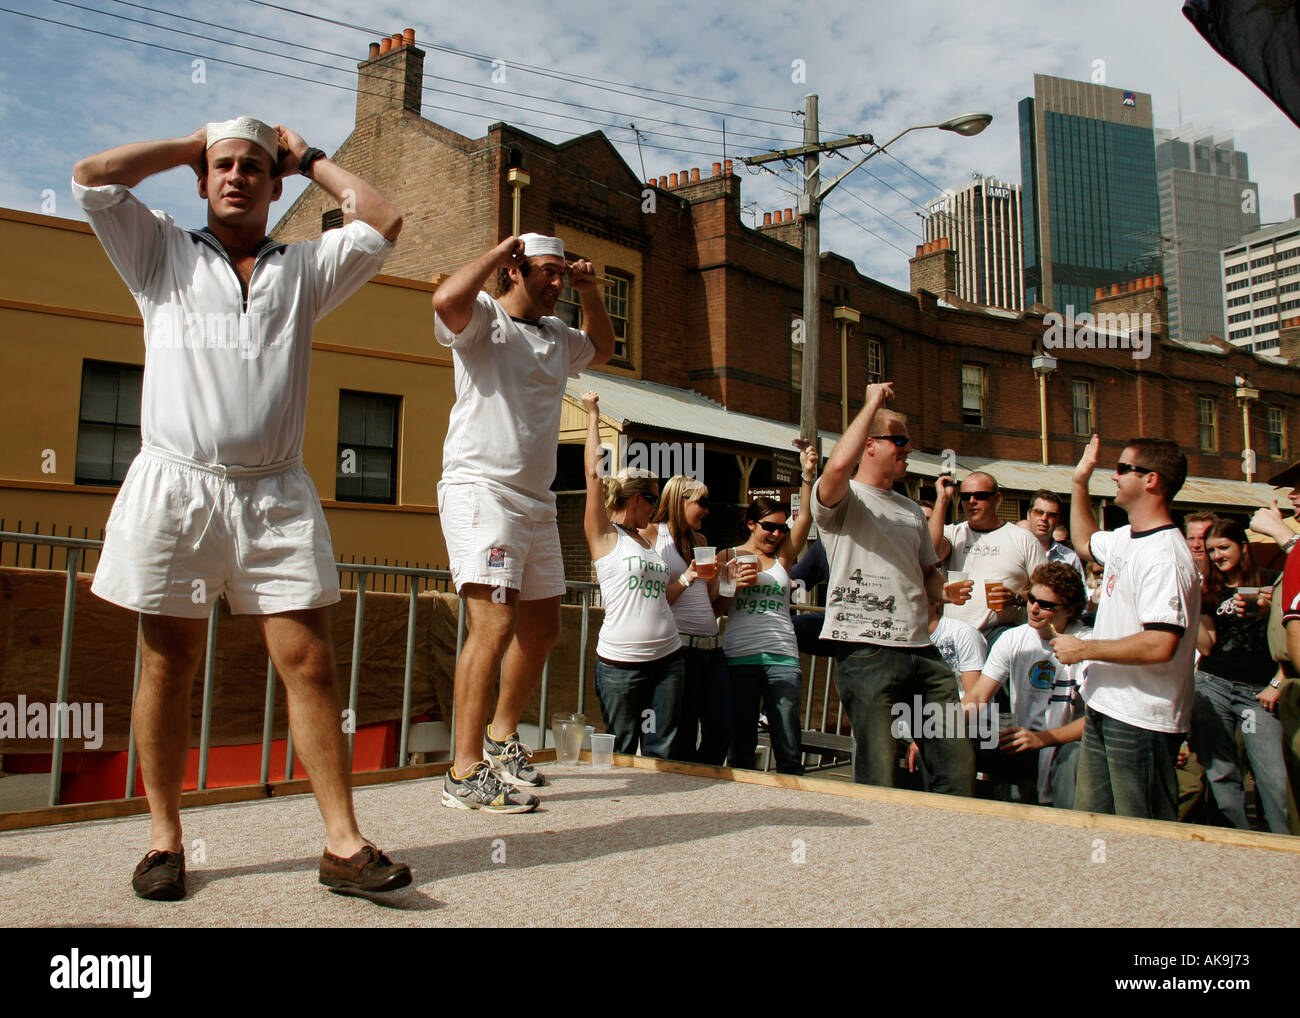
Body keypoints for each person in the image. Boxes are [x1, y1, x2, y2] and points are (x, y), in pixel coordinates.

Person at [72, 117, 409, 898]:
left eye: (253, 167)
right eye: (221, 166)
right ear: (200, 178)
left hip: (275, 494)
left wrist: (312, 159)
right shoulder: (158, 251)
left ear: (275, 182)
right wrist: (187, 142)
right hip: (176, 487)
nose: (235, 177)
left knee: (312, 664)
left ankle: (344, 846)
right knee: (169, 661)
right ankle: (164, 841)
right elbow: (92, 173)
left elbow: (384, 220)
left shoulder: (305, 269)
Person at [432, 233, 615, 811]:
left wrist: (590, 292)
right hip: (481, 489)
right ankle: (462, 772)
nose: (558, 284)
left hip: (535, 499)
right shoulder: (483, 319)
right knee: (493, 624)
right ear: (514, 271)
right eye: (548, 273)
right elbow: (443, 301)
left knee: (541, 630)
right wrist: (495, 251)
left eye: (564, 273)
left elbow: (604, 350)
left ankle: (502, 736)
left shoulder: (560, 335)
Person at [811, 382, 974, 793]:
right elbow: (834, 469)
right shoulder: (843, 500)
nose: (907, 449)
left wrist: (945, 590)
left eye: (908, 441)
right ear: (870, 445)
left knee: (956, 763)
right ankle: (877, 853)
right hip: (867, 651)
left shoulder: (909, 509)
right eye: (898, 439)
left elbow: (927, 573)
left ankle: (953, 847)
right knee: (879, 770)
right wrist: (870, 404)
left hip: (923, 651)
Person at [1052, 434, 1200, 821]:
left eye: (1121, 469)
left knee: (1144, 831)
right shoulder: (1126, 538)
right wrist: (1079, 483)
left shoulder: (1166, 556)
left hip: (1141, 718)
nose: (1113, 477)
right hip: (1105, 705)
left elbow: (1159, 644)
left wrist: (1083, 649)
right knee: (1096, 824)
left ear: (1150, 479)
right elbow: (1084, 541)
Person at [582, 392, 683, 757]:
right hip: (621, 664)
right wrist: (593, 414)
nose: (657, 509)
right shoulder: (605, 535)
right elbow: (595, 475)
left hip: (668, 659)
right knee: (622, 749)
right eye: (654, 499)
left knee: (661, 748)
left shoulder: (646, 541)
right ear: (636, 499)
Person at [718, 446, 817, 775]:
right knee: (742, 742)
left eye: (780, 529)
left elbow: (805, 517)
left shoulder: (782, 559)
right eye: (768, 527)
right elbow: (715, 608)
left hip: (782, 655)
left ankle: (795, 802)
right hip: (741, 655)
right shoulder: (726, 556)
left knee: (788, 740)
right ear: (750, 524)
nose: (776, 534)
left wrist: (807, 475)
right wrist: (732, 587)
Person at [962, 563, 1089, 807]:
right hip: (1023, 741)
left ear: (1071, 610)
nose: (1035, 608)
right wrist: (940, 733)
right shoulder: (1014, 638)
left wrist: (1043, 738)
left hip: (1066, 744)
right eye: (1031, 599)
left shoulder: (1085, 642)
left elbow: (1094, 721)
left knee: (1072, 756)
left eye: (1047, 605)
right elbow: (978, 697)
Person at [1192, 519, 1288, 832]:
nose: (1217, 555)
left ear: (1242, 547)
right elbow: (1208, 647)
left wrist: (1277, 681)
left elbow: (1286, 635)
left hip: (1256, 694)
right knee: (1221, 775)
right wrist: (1188, 608)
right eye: (1211, 551)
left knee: (1272, 778)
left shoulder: (1273, 581)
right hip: (1213, 685)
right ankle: (1237, 846)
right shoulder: (1208, 590)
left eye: (1224, 547)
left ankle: (1287, 850)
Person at [641, 475, 729, 763]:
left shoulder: (700, 540)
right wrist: (687, 577)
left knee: (720, 727)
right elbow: (653, 597)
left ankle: (706, 782)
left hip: (711, 648)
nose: (706, 510)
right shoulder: (652, 535)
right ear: (680, 501)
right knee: (682, 733)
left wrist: (728, 580)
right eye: (700, 503)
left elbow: (711, 603)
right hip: (679, 650)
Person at [930, 471, 1048, 647]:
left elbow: (1045, 589)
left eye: (981, 496)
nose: (972, 501)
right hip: (956, 639)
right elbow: (931, 553)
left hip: (1000, 638)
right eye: (965, 496)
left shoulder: (1024, 539)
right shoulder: (954, 534)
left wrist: (1016, 597)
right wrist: (942, 500)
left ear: (997, 498)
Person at [1025, 490, 1085, 585]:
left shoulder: (1069, 558)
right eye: (1039, 512)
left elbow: (1080, 595)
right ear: (1029, 514)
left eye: (1052, 515)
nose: (1044, 518)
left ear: (1059, 520)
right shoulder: (1013, 550)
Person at [1183, 510, 1220, 589]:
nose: (1196, 545)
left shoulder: (1226, 578)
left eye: (1202, 538)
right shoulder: (1180, 574)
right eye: (1191, 539)